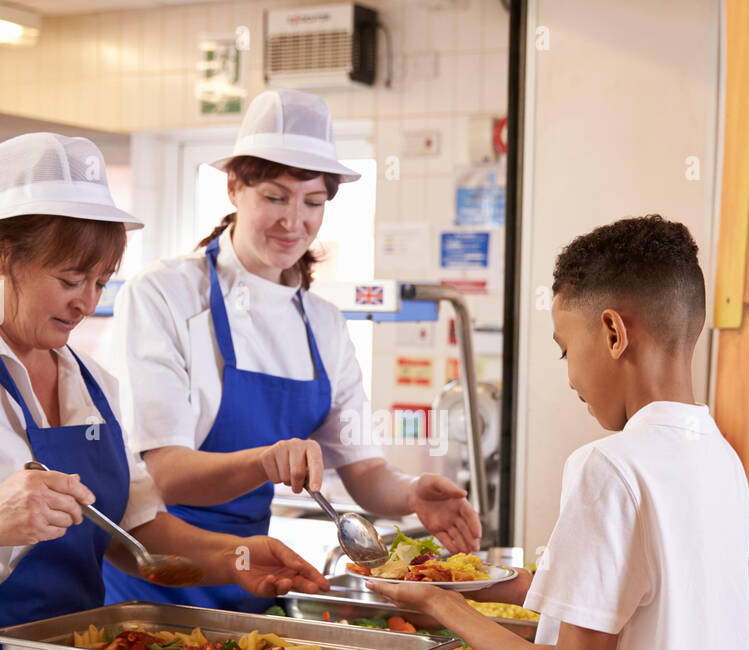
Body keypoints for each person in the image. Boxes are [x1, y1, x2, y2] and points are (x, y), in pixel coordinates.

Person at [0, 133, 327, 650]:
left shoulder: (90, 383)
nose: (86, 303)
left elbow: (134, 534)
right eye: (70, 280)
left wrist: (237, 557)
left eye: (100, 282)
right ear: (2, 256)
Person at [368, 217, 749, 650]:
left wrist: (441, 604)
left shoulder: (609, 466)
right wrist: (487, 581)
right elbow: (636, 607)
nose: (570, 377)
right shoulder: (720, 459)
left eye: (564, 349)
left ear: (613, 332)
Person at [99, 89, 481, 613]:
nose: (293, 221)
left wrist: (412, 492)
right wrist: (266, 460)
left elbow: (366, 472)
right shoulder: (164, 294)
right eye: (275, 197)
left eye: (313, 202)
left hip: (255, 579)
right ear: (234, 187)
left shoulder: (323, 323)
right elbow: (168, 475)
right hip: (159, 579)